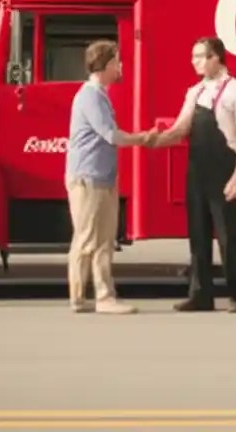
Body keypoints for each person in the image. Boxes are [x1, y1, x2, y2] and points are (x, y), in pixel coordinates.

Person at [149, 36, 236, 313]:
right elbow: (180, 129)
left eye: (199, 56)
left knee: (229, 235)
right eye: (193, 56)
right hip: (197, 169)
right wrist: (149, 140)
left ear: (215, 57)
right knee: (197, 233)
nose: (193, 62)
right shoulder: (194, 92)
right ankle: (200, 294)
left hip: (224, 167)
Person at [64, 40, 152, 314]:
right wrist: (144, 138)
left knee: (103, 240)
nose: (120, 67)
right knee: (87, 238)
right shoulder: (90, 96)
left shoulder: (98, 95)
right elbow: (111, 135)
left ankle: (103, 296)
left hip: (100, 177)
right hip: (88, 178)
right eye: (116, 61)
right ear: (105, 64)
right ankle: (80, 297)